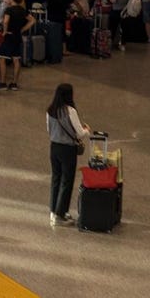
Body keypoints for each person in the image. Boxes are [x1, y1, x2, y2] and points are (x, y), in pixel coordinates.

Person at [46, 82, 91, 226]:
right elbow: (78, 133)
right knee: (67, 181)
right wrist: (87, 131)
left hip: (54, 147)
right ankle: (61, 214)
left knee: (56, 179)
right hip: (67, 149)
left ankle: (53, 211)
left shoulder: (50, 110)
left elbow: (49, 130)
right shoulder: (70, 111)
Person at [0, 0, 33, 90]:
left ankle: (3, 82)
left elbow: (6, 21)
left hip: (9, 36)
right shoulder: (22, 9)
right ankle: (14, 83)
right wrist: (22, 29)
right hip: (18, 36)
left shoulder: (9, 10)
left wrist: (4, 31)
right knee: (16, 59)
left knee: (2, 58)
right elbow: (32, 20)